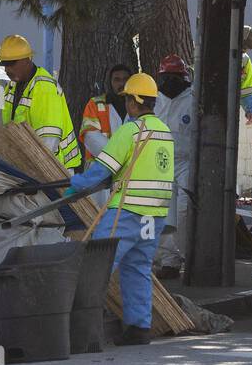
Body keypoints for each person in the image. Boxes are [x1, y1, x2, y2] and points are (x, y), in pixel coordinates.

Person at [65, 72, 174, 345]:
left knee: (96, 267)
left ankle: (83, 333)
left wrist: (75, 184)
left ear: (135, 102)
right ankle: (138, 328)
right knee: (137, 268)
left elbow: (103, 170)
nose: (126, 103)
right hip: (155, 218)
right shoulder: (165, 132)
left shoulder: (131, 131)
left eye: (127, 98)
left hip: (126, 212)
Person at [0, 34, 81, 171]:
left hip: (54, 170)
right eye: (4, 64)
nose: (7, 69)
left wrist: (37, 171)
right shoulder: (12, 87)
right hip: (33, 166)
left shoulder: (43, 87)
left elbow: (49, 140)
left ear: (27, 60)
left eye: (11, 64)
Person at [152, 54, 194, 277]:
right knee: (164, 212)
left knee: (184, 209)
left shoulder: (192, 99)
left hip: (185, 162)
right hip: (160, 162)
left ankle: (189, 256)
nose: (169, 81)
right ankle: (169, 261)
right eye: (166, 77)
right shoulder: (155, 99)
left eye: (174, 77)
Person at [78, 63, 132, 164]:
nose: (122, 83)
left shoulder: (138, 106)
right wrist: (117, 159)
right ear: (110, 83)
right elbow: (90, 137)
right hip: (99, 171)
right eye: (117, 80)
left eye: (126, 79)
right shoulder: (95, 104)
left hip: (129, 172)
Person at [240, 24, 252, 125]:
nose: (246, 50)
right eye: (246, 46)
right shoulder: (245, 59)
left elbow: (247, 88)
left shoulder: (245, 60)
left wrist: (251, 110)